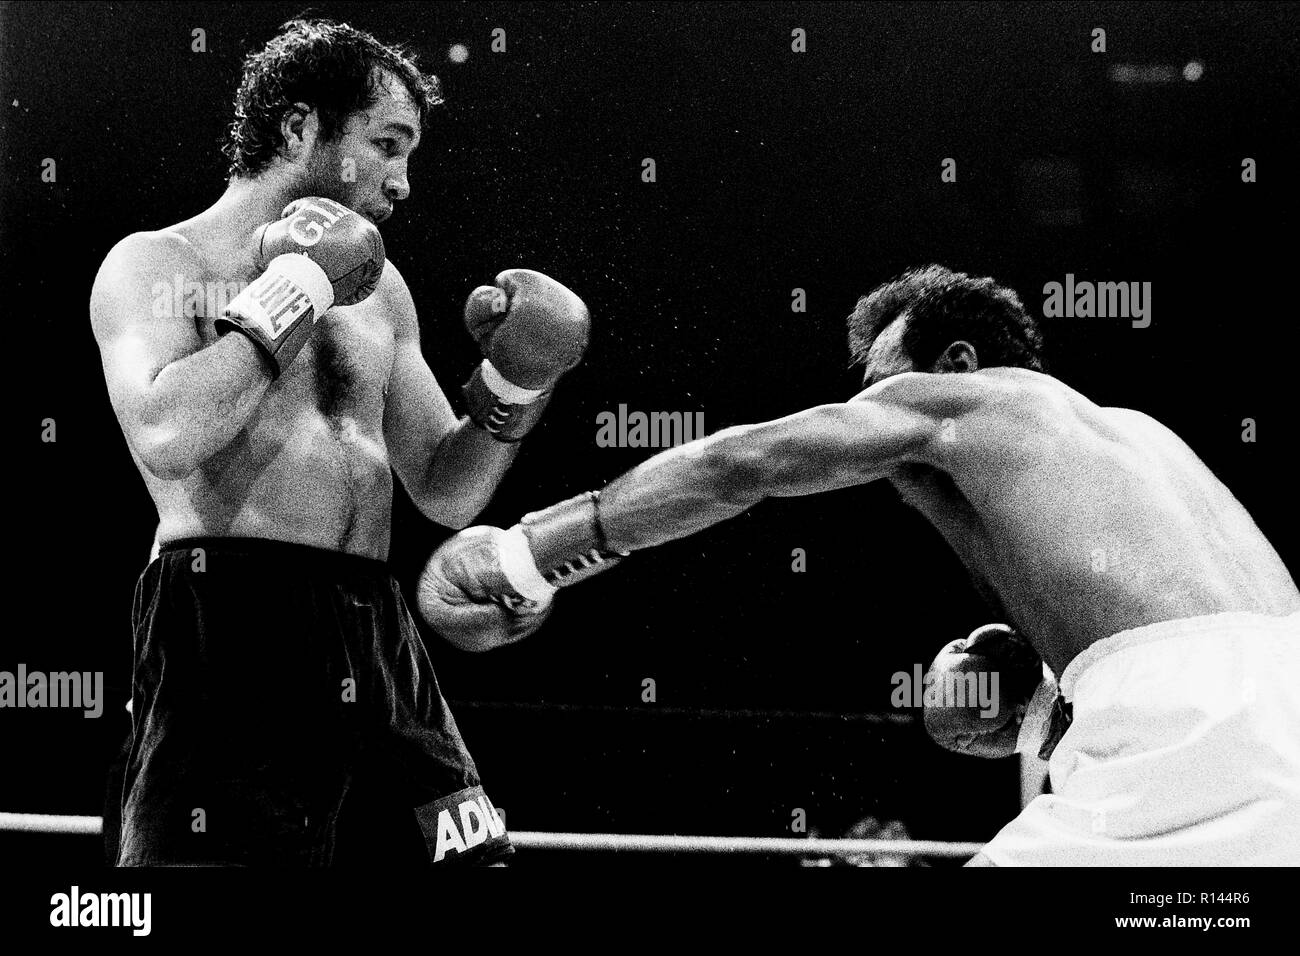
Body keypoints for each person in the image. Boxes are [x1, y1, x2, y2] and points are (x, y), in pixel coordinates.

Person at [418, 264, 1300, 866]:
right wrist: (1036, 710)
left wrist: (529, 553)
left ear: (955, 362)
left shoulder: (967, 398)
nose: (874, 424)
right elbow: (1197, 654)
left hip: (1189, 747)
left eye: (880, 389)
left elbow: (743, 464)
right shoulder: (1140, 446)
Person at [90, 18, 589, 866]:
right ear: (297, 129)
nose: (401, 183)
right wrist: (298, 285)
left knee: (469, 864)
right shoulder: (155, 262)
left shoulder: (382, 288)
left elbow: (444, 484)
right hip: (229, 614)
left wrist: (518, 384)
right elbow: (168, 431)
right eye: (386, 145)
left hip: (376, 625)